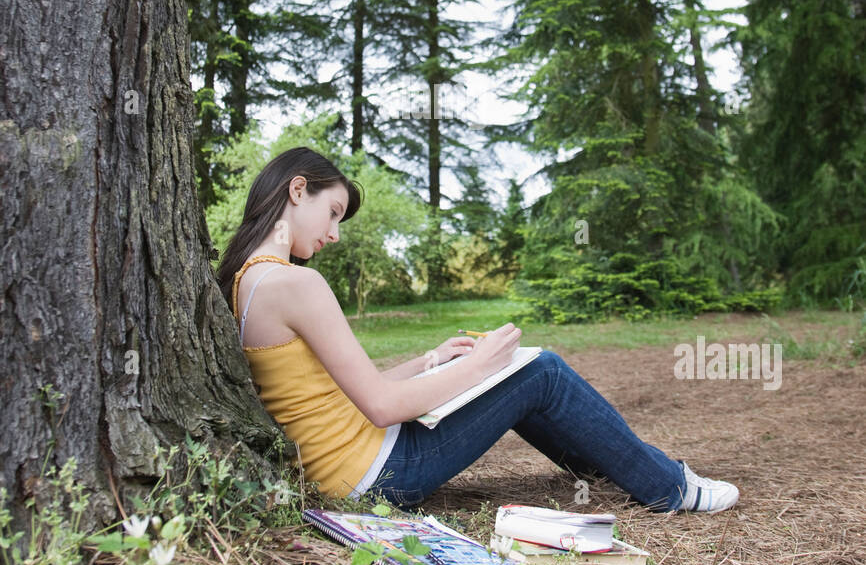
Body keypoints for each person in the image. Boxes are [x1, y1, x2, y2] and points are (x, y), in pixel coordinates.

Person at [217, 147, 739, 515]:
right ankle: (669, 487)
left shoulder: (247, 281)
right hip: (376, 476)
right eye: (332, 213)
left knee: (524, 378)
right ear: (298, 189)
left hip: (348, 468)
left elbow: (338, 392)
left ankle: (614, 466)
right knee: (542, 373)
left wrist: (432, 360)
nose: (334, 234)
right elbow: (379, 405)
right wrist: (480, 365)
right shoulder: (297, 284)